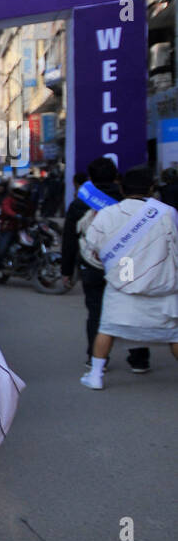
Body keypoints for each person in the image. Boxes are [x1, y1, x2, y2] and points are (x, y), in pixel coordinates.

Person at [79, 167, 178, 389]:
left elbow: (91, 245)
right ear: (152, 189)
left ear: (121, 188)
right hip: (160, 282)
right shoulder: (167, 212)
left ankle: (96, 376)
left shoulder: (107, 213)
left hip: (123, 280)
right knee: (174, 334)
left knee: (108, 329)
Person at [65, 159, 150, 372]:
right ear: (116, 177)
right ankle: (139, 359)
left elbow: (69, 238)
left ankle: (96, 359)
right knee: (133, 308)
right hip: (126, 265)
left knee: (96, 312)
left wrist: (67, 271)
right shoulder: (127, 199)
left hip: (92, 265)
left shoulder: (79, 203)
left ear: (90, 178)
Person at [0, 180, 33, 283]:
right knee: (1, 252)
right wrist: (16, 215)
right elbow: (6, 209)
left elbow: (31, 213)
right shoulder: (8, 200)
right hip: (9, 229)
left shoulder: (28, 201)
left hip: (23, 229)